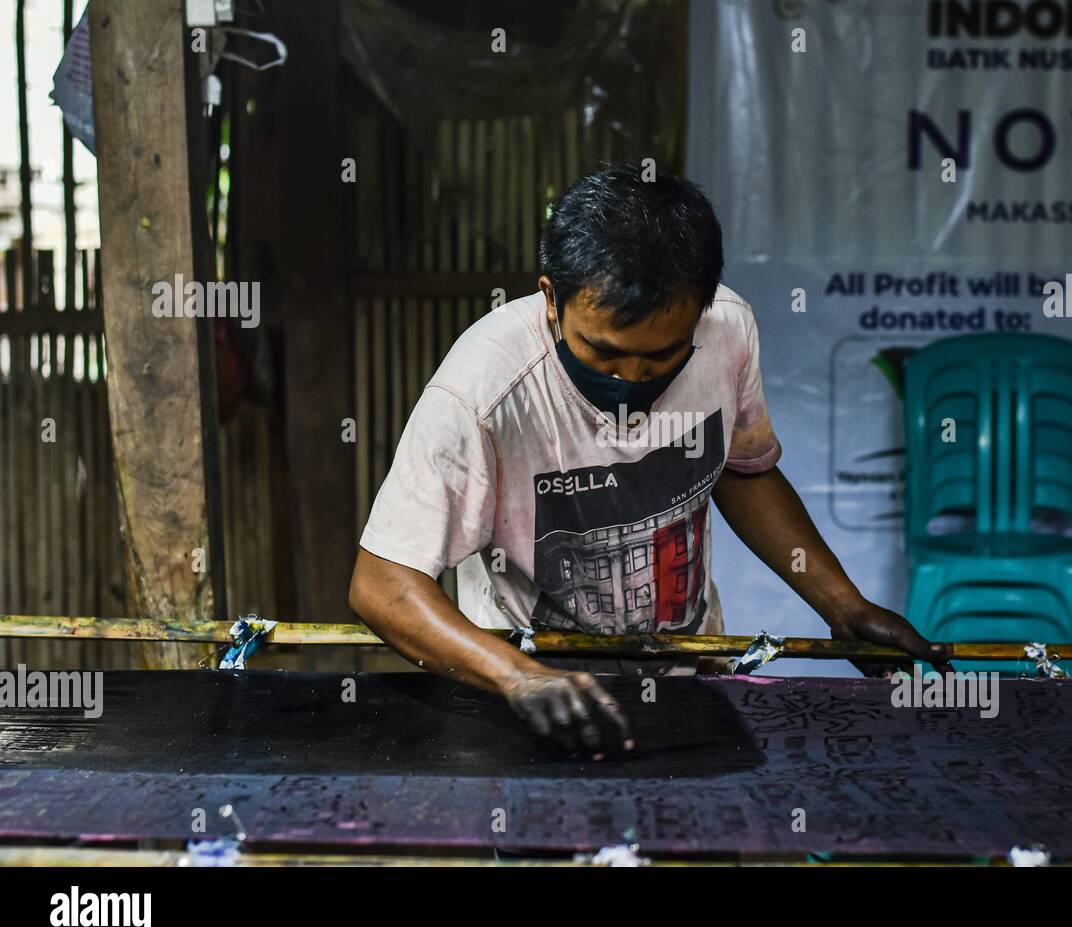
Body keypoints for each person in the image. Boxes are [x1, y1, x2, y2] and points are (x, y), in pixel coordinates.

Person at [349, 164, 949, 758]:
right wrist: (514, 676)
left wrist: (842, 605)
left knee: (707, 840)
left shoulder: (728, 331)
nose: (631, 379)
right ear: (551, 299)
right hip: (532, 692)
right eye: (604, 352)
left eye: (663, 357)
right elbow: (382, 584)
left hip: (691, 671)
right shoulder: (485, 389)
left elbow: (742, 473)